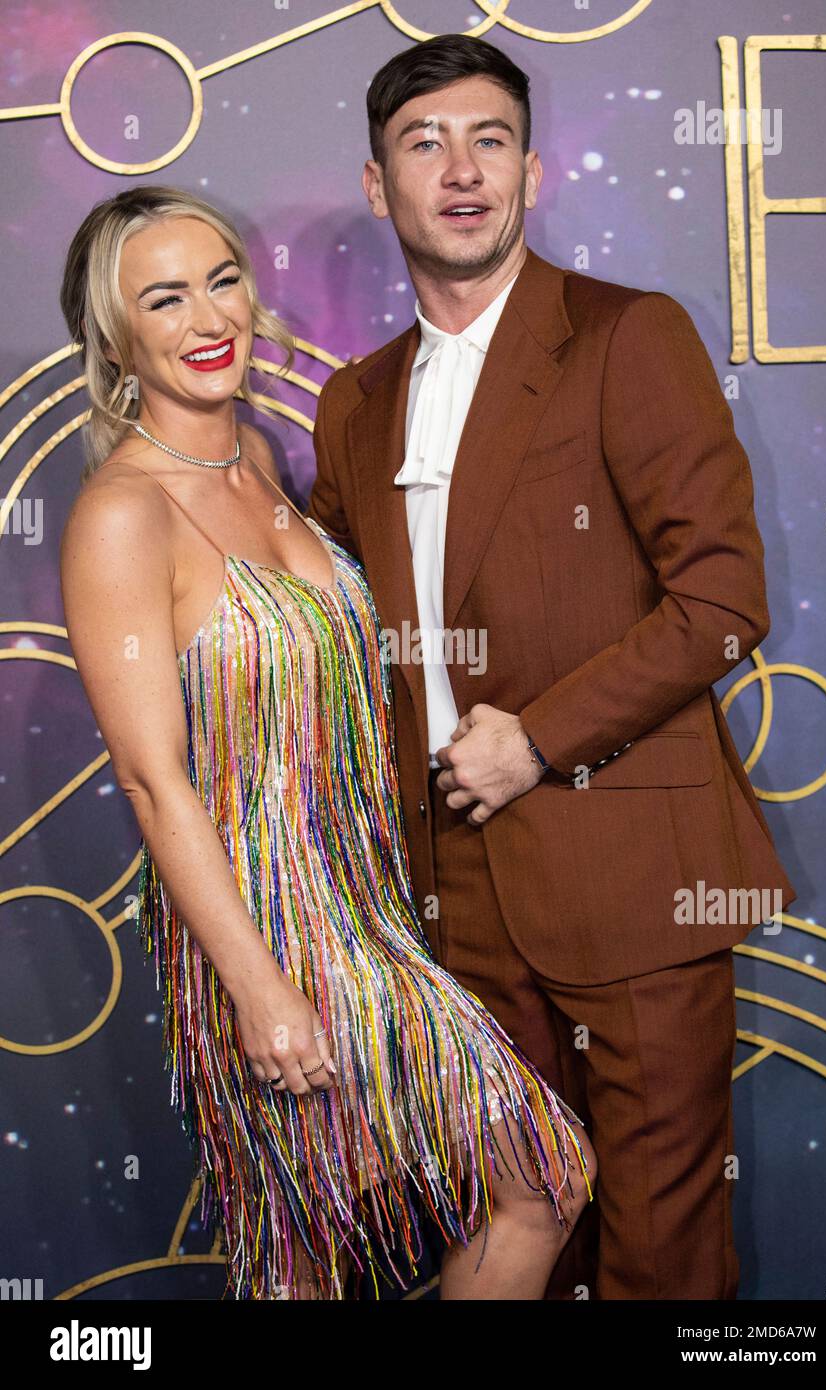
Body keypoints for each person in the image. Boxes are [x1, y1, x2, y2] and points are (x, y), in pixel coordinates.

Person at [305, 34, 798, 1300]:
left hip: (631, 875)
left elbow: (721, 600)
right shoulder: (352, 402)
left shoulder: (624, 335)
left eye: (490, 140)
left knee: (658, 1251)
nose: (460, 170)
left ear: (531, 168)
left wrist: (534, 735)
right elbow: (339, 623)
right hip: (446, 899)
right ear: (377, 185)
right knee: (518, 1227)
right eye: (425, 143)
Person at [57, 185, 595, 1301]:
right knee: (488, 1192)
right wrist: (258, 989)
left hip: (362, 907)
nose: (208, 317)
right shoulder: (122, 513)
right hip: (260, 926)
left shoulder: (255, 455)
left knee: (322, 1248)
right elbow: (154, 783)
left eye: (221, 281)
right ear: (116, 337)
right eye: (165, 298)